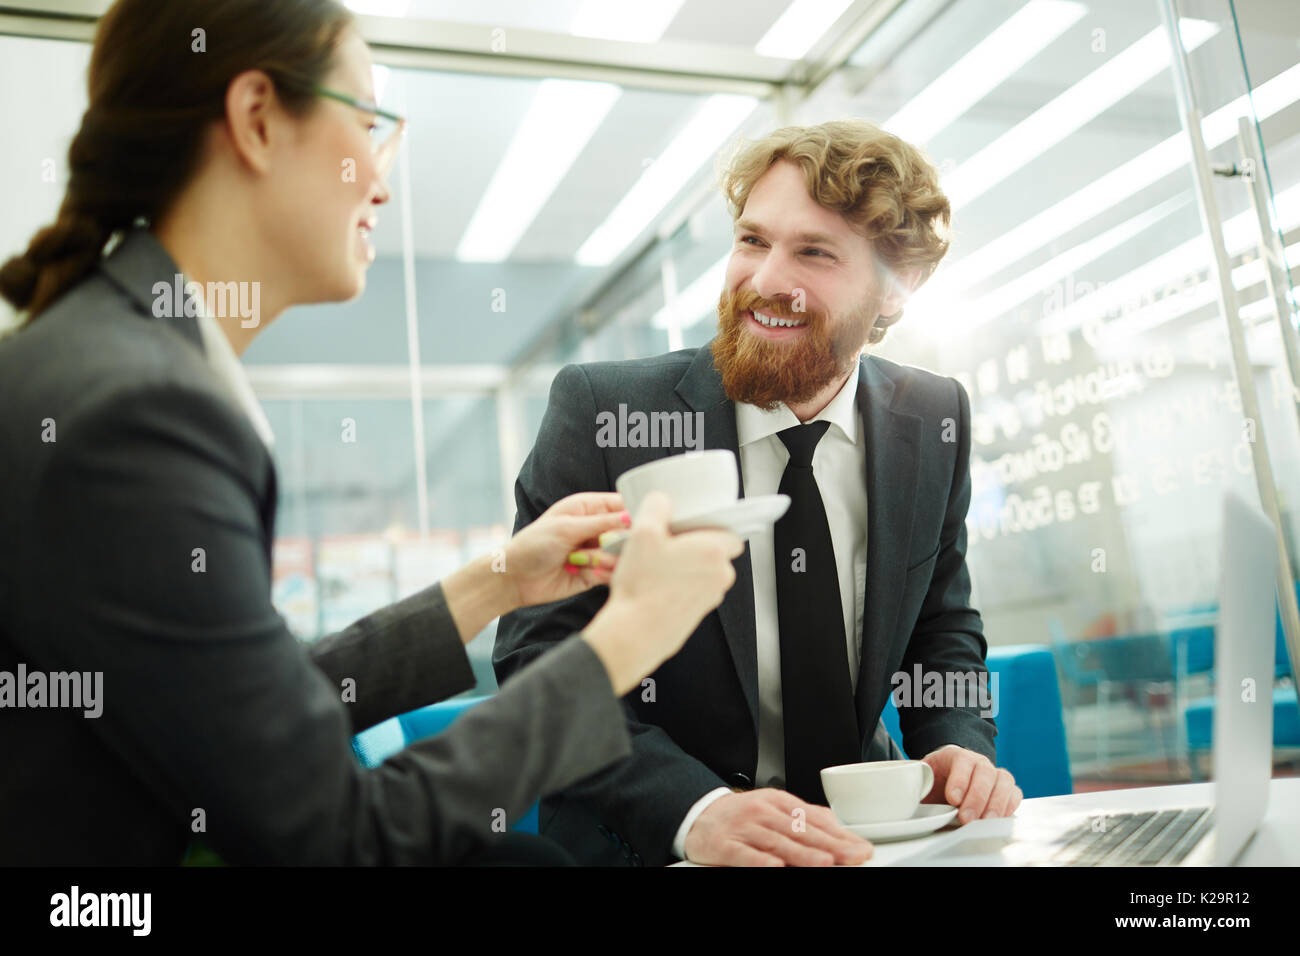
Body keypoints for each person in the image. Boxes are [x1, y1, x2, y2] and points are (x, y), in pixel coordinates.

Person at [0, 0, 744, 866]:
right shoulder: (139, 413)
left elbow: (257, 716)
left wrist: (498, 581)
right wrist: (626, 640)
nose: (383, 182)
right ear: (256, 119)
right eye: (369, 122)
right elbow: (334, 837)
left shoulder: (119, 360)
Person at [494, 120, 1023, 867]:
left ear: (894, 294)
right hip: (651, 846)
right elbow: (539, 657)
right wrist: (696, 810)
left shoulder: (931, 417)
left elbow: (942, 626)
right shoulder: (605, 413)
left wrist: (954, 747)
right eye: (752, 240)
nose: (766, 279)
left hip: (860, 842)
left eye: (814, 252)